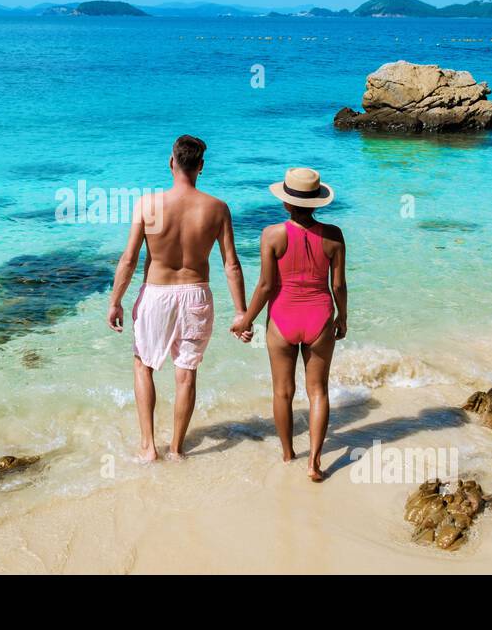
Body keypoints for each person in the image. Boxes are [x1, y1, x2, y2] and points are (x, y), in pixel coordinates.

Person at [107, 135, 250, 462]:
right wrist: (241, 312)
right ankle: (177, 448)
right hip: (196, 294)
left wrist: (115, 300)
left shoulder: (148, 205)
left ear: (172, 163)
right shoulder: (217, 208)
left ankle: (148, 447)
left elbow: (129, 259)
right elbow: (231, 264)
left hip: (157, 294)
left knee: (143, 365)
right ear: (201, 167)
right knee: (185, 373)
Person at [231, 167, 346, 481]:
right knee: (318, 392)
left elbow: (266, 286)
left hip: (282, 319)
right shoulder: (334, 236)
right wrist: (342, 317)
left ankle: (287, 454)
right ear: (318, 202)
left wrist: (246, 320)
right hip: (320, 318)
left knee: (282, 392)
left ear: (286, 203)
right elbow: (338, 286)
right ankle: (314, 463)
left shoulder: (271, 235)